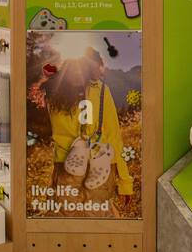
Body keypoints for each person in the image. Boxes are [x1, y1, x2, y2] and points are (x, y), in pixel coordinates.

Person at [42, 47, 132, 197]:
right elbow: (114, 137)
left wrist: (55, 76)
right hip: (101, 166)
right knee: (99, 211)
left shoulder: (54, 91)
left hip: (65, 167)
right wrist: (125, 182)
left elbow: (52, 127)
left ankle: (79, 149)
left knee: (65, 212)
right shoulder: (101, 90)